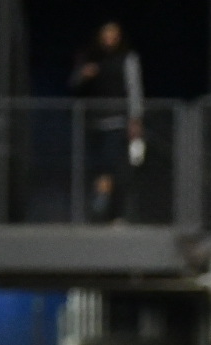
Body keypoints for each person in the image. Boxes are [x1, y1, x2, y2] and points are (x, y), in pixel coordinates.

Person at [71, 21, 142, 223]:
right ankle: (100, 208)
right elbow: (74, 84)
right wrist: (84, 75)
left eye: (113, 34)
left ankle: (111, 209)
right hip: (94, 122)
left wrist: (135, 119)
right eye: (106, 34)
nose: (109, 38)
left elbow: (134, 88)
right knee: (99, 165)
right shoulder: (90, 57)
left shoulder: (127, 58)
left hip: (117, 121)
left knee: (113, 166)